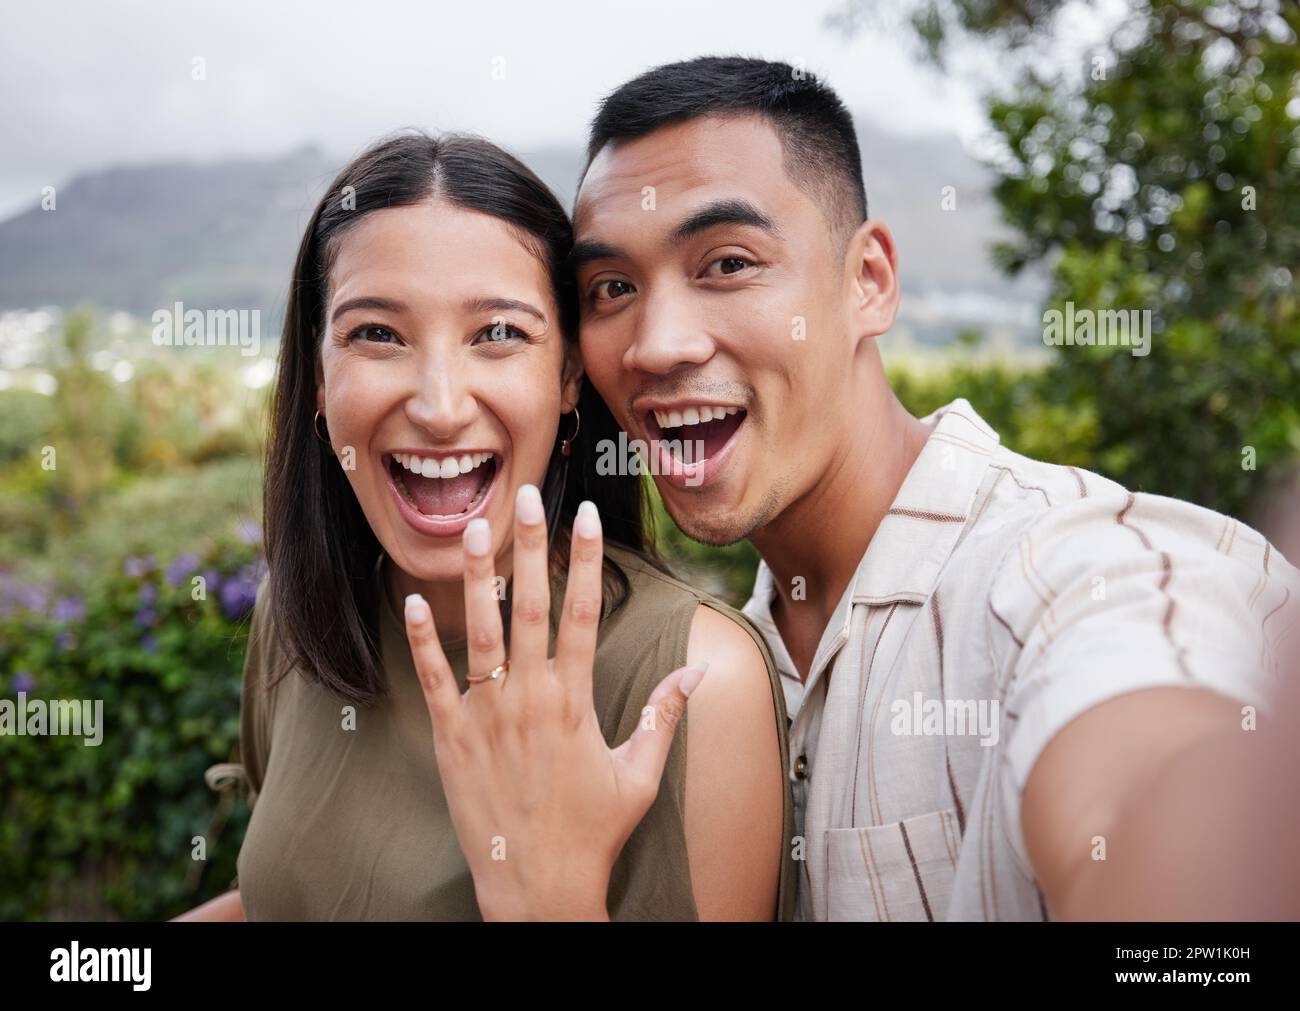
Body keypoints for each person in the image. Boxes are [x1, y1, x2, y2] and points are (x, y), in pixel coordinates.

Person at [430, 56, 1300, 921]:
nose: (657, 345)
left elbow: (1141, 761)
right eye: (612, 287)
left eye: (727, 264)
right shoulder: (720, 662)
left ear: (869, 281)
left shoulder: (1066, 566)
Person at [173, 130, 795, 921]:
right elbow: (282, 896)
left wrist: (546, 893)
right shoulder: (299, 616)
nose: (439, 405)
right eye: (377, 334)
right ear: (321, 380)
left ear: (569, 374)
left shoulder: (695, 683)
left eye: (498, 333)